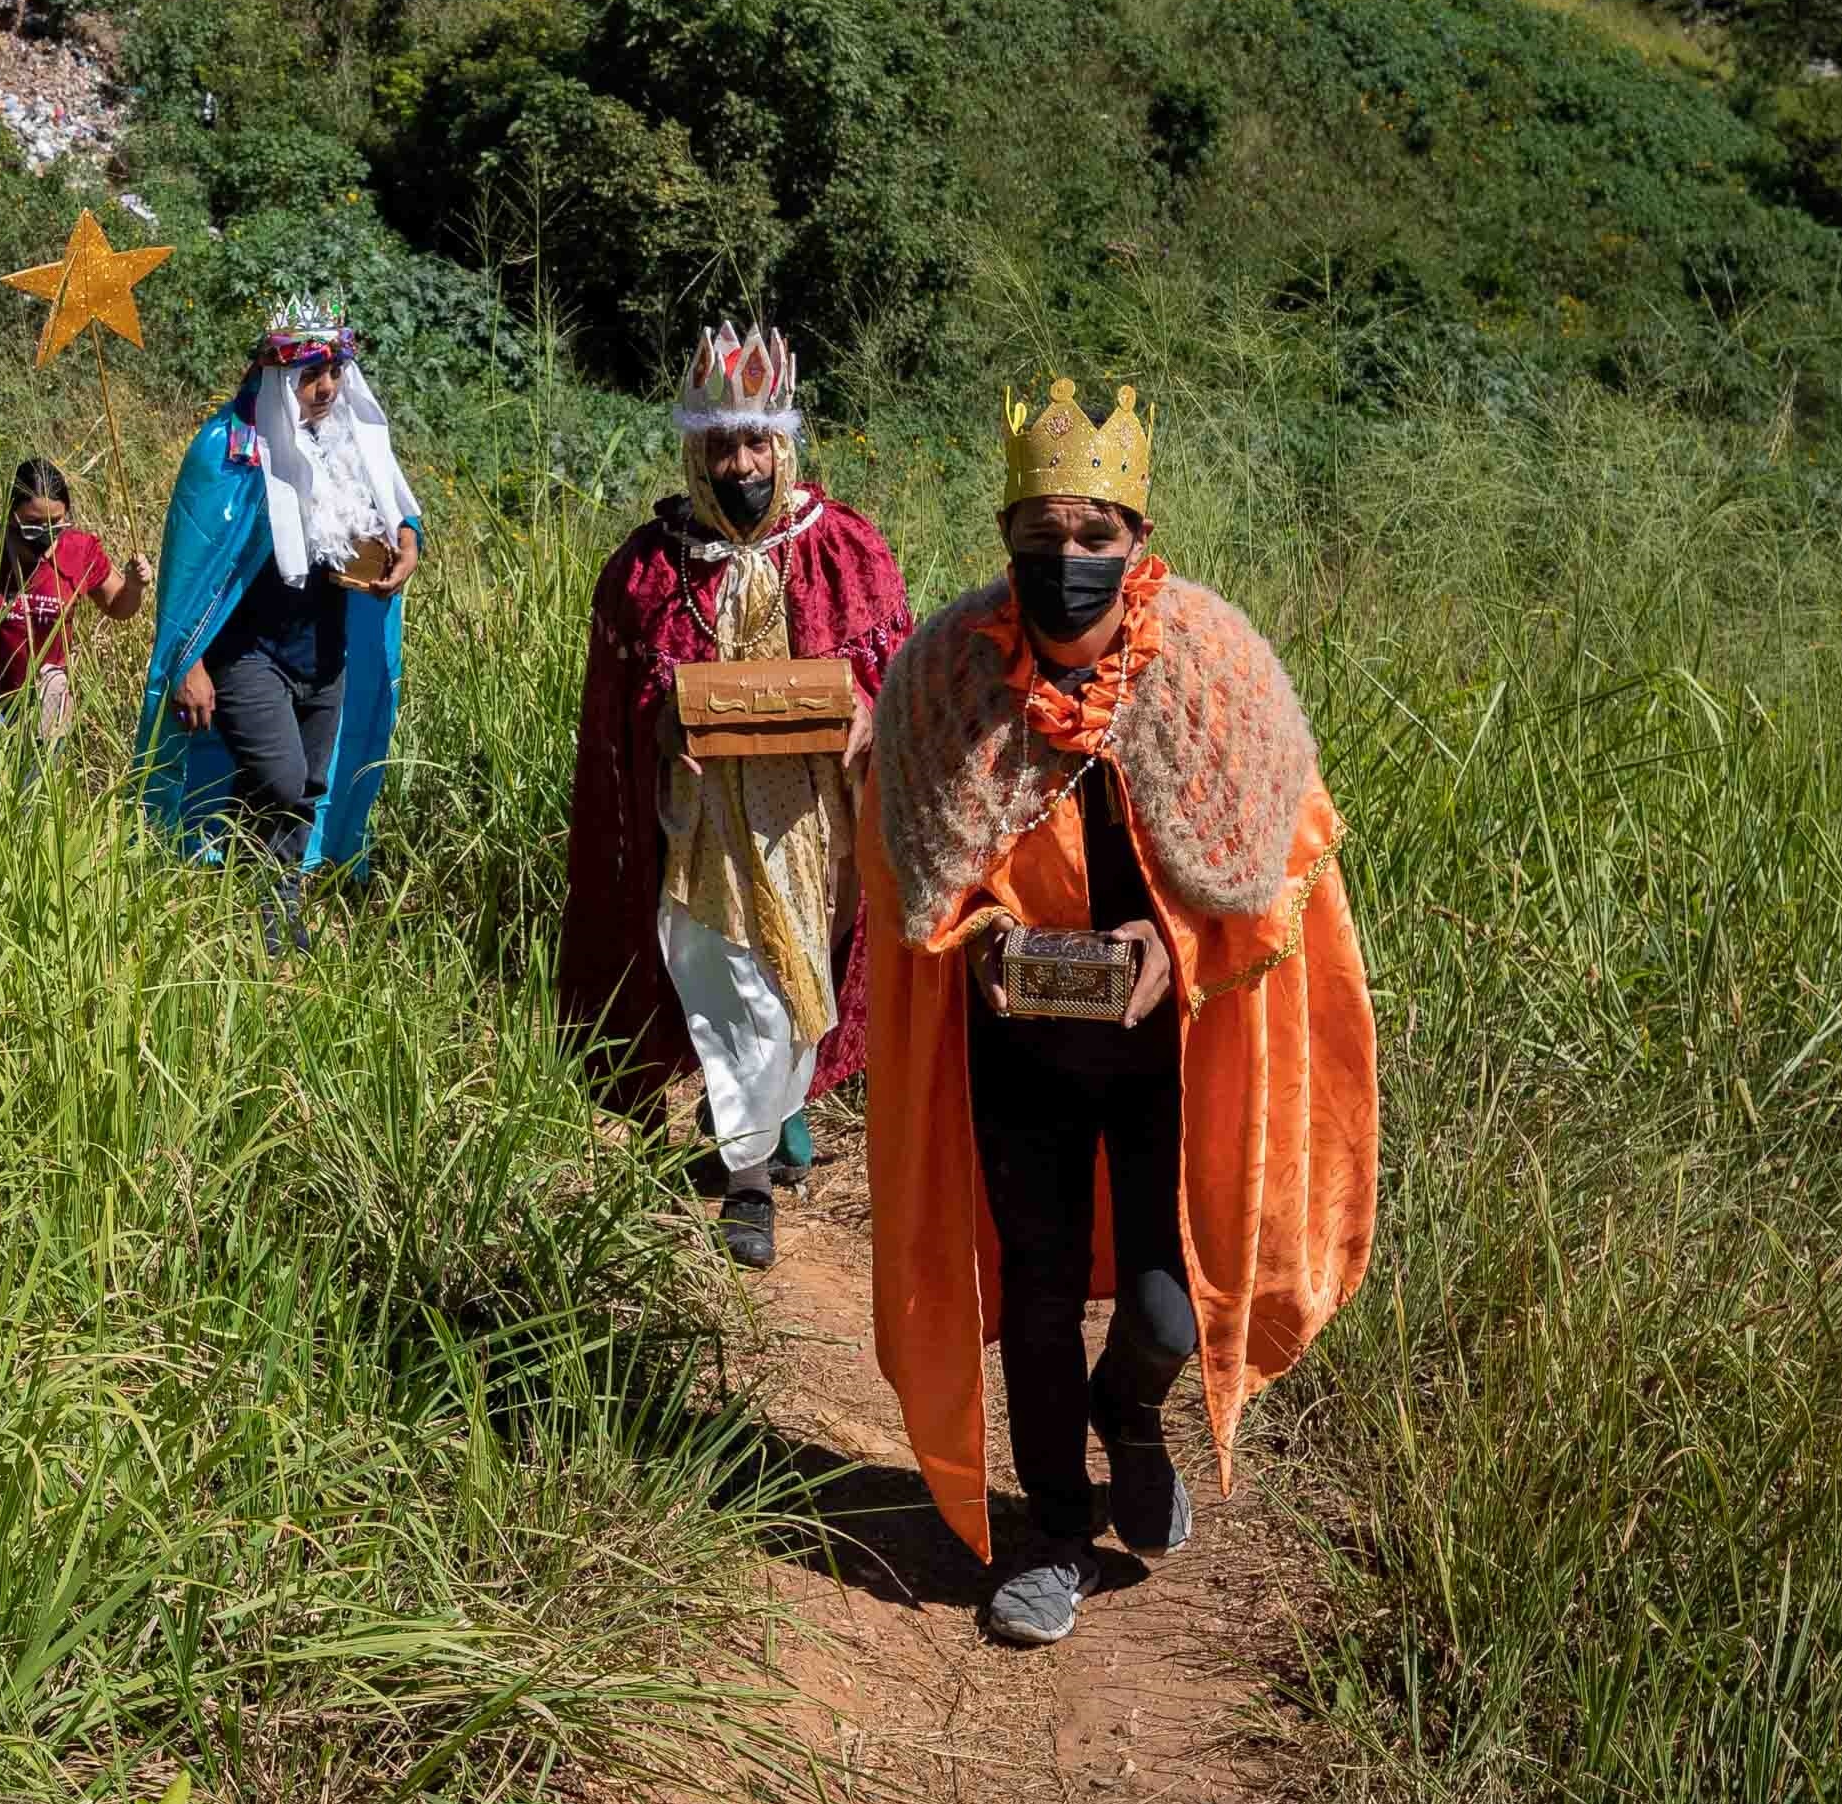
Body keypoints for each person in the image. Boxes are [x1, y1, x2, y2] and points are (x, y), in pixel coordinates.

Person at [855, 381, 1378, 1650]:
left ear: (1137, 540)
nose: (1068, 561)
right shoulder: (944, 671)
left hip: (1171, 1060)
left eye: (1095, 537)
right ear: (1005, 534)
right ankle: (1050, 1534)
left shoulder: (1212, 663)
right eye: (1042, 536)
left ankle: (1130, 1415)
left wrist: (1172, 938)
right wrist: (977, 938)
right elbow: (912, 847)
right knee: (1034, 1286)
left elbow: (1280, 861)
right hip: (1017, 1053)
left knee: (1156, 1306)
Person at [556, 326, 914, 1271]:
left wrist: (870, 716)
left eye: (758, 441)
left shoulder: (847, 551)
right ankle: (748, 1181)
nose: (742, 462)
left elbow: (892, 671)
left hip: (812, 819)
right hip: (702, 823)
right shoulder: (647, 568)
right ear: (695, 447)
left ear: (784, 442)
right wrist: (664, 725)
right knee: (726, 971)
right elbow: (622, 703)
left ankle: (767, 1121)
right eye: (723, 443)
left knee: (799, 969)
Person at [138, 300, 421, 882]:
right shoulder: (228, 449)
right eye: (310, 376)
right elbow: (189, 569)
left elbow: (396, 508)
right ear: (276, 376)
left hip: (323, 651)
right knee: (281, 780)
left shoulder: (345, 445)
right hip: (246, 653)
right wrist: (186, 662)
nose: (326, 389)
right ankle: (245, 879)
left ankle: (269, 902)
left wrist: (407, 541)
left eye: (336, 373)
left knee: (308, 786)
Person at [0, 455, 149, 737]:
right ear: (11, 514)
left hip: (45, 695)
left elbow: (118, 608)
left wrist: (133, 587)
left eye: (56, 523)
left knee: (35, 778)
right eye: (32, 524)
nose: (45, 534)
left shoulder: (79, 551)